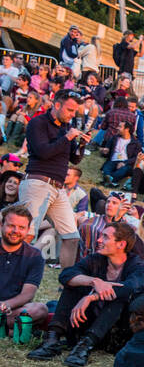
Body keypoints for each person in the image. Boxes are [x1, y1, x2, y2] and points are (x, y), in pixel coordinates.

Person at [27, 220, 144, 367]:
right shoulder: (96, 259)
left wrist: (91, 297)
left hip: (114, 333)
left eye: (105, 237)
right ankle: (52, 338)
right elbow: (66, 275)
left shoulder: (137, 265)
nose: (99, 240)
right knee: (74, 284)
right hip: (85, 323)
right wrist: (94, 281)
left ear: (121, 244)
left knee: (119, 296)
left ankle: (85, 346)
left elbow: (131, 287)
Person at [17, 91, 88, 268]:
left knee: (72, 237)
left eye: (75, 112)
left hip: (58, 188)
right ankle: (13, 278)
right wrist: (67, 138)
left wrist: (81, 144)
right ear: (57, 105)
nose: (72, 115)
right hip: (37, 182)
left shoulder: (65, 128)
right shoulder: (38, 123)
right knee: (26, 234)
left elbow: (74, 159)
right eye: (70, 110)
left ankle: (67, 283)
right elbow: (43, 152)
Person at [0, 204, 47, 333]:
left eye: (21, 227)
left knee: (40, 309)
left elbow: (28, 293)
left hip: (12, 310)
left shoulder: (35, 256)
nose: (15, 231)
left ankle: (6, 328)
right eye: (11, 225)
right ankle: (10, 330)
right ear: (1, 225)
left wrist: (5, 305)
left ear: (27, 230)